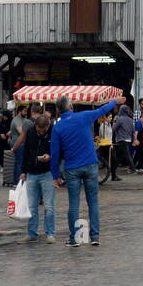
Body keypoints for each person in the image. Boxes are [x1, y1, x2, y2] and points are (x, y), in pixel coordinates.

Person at [50, 95, 120, 247]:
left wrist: (55, 175)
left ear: (58, 111)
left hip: (72, 168)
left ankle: (75, 238)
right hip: (90, 165)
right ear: (71, 107)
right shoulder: (84, 117)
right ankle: (94, 236)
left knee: (73, 204)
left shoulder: (57, 127)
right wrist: (116, 101)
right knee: (93, 202)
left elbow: (55, 154)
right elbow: (103, 110)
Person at [22, 113, 58, 243]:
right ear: (35, 126)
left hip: (47, 172)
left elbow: (59, 151)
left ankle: (50, 233)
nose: (41, 132)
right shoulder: (31, 132)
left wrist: (51, 157)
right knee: (32, 206)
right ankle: (32, 233)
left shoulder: (54, 132)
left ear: (48, 126)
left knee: (49, 206)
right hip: (32, 172)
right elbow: (26, 151)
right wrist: (23, 171)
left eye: (44, 130)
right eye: (39, 129)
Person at [7, 104, 33, 188]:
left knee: (19, 162)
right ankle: (17, 182)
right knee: (19, 162)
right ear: (19, 112)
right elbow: (21, 131)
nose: (26, 112)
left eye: (26, 111)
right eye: (24, 111)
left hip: (22, 143)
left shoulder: (24, 119)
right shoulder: (17, 120)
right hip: (18, 143)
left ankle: (16, 181)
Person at [111, 104, 135, 181]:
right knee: (119, 157)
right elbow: (133, 131)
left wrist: (114, 122)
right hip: (128, 140)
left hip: (121, 140)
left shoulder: (120, 119)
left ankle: (132, 167)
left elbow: (113, 129)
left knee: (118, 158)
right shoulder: (131, 120)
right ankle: (114, 174)